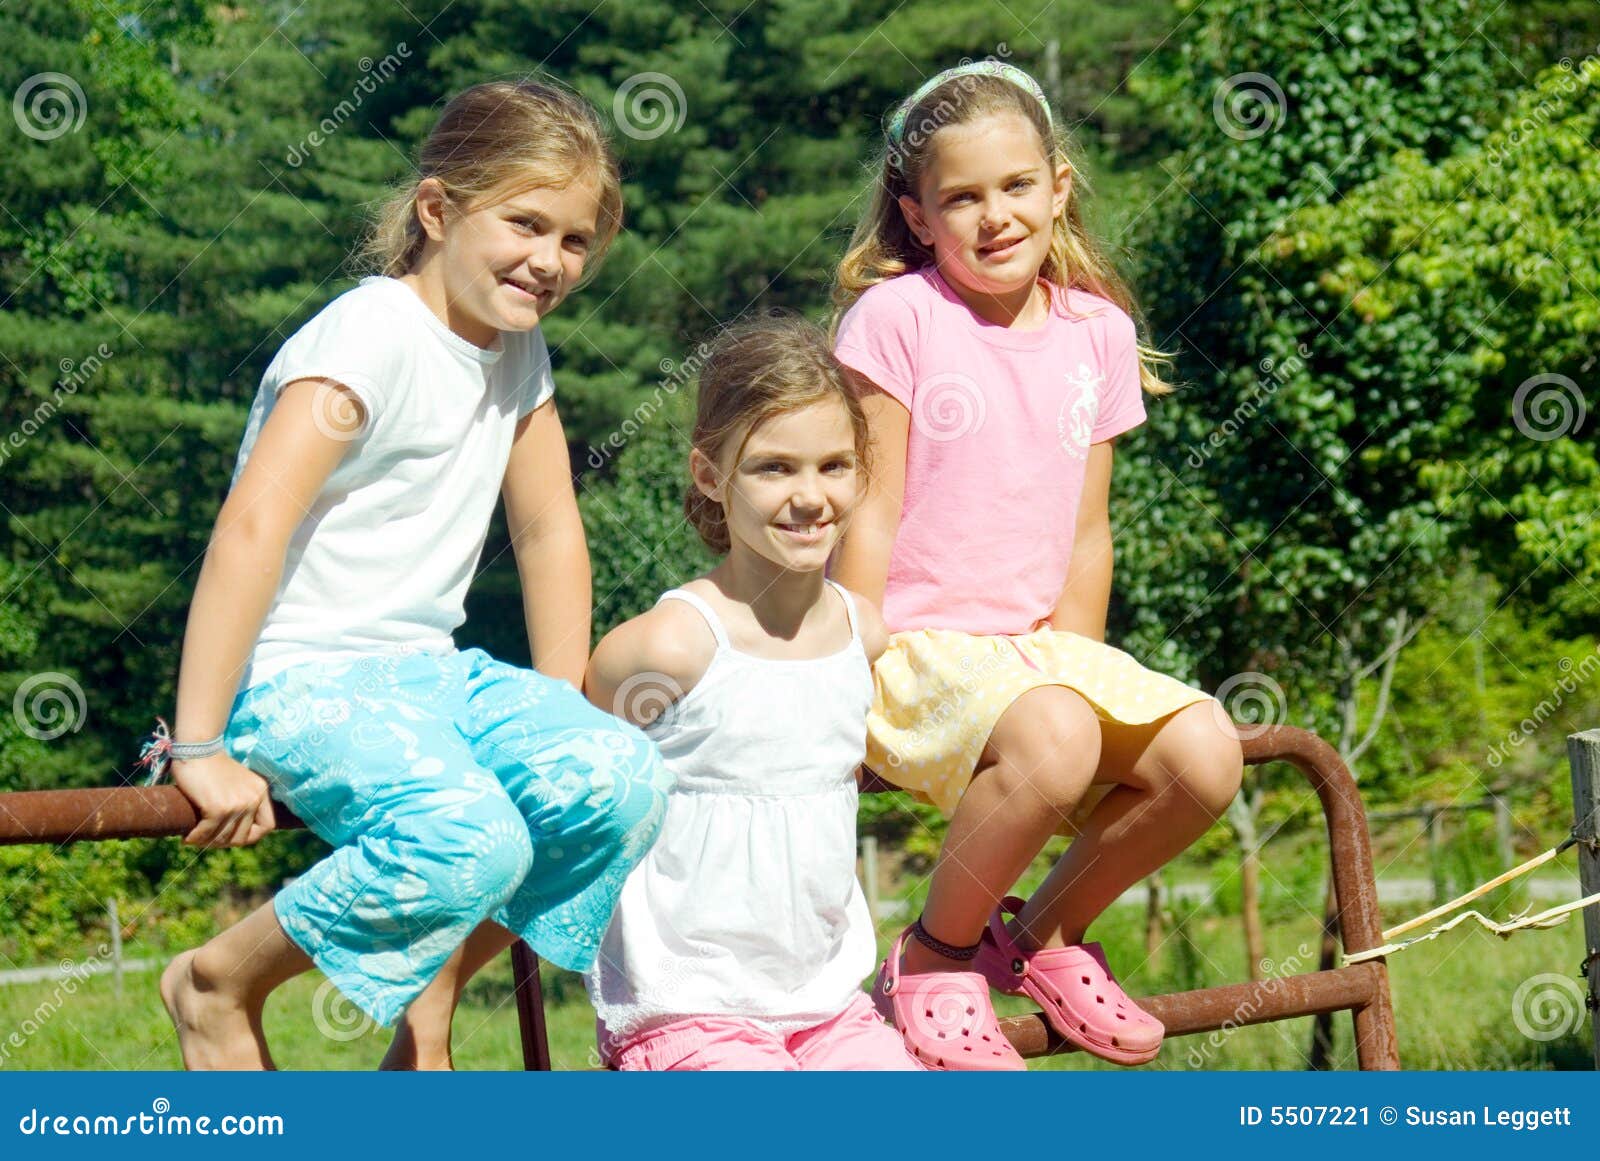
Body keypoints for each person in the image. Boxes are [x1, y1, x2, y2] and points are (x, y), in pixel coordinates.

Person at [157, 80, 670, 1070]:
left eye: (574, 240)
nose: (551, 260)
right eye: (525, 223)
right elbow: (253, 527)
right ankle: (220, 980)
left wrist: (555, 712)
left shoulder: (518, 349)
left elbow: (550, 525)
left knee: (620, 783)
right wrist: (199, 742)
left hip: (428, 673)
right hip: (302, 676)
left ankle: (429, 991)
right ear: (438, 210)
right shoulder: (367, 337)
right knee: (472, 838)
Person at [829, 60, 1244, 1070]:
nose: (994, 215)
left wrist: (1081, 667)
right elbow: (869, 507)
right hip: (915, 646)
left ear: (1059, 186)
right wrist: (842, 656)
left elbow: (1086, 530)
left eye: (1015, 186)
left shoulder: (1097, 331)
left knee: (1207, 752)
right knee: (1053, 732)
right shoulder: (898, 320)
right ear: (917, 216)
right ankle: (932, 958)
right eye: (960, 197)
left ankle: (1043, 936)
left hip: (1032, 652)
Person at [582, 316, 921, 1071]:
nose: (810, 496)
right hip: (685, 1006)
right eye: (774, 468)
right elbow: (581, 771)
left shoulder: (861, 635)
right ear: (710, 474)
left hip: (828, 1002)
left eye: (834, 465)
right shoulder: (670, 646)